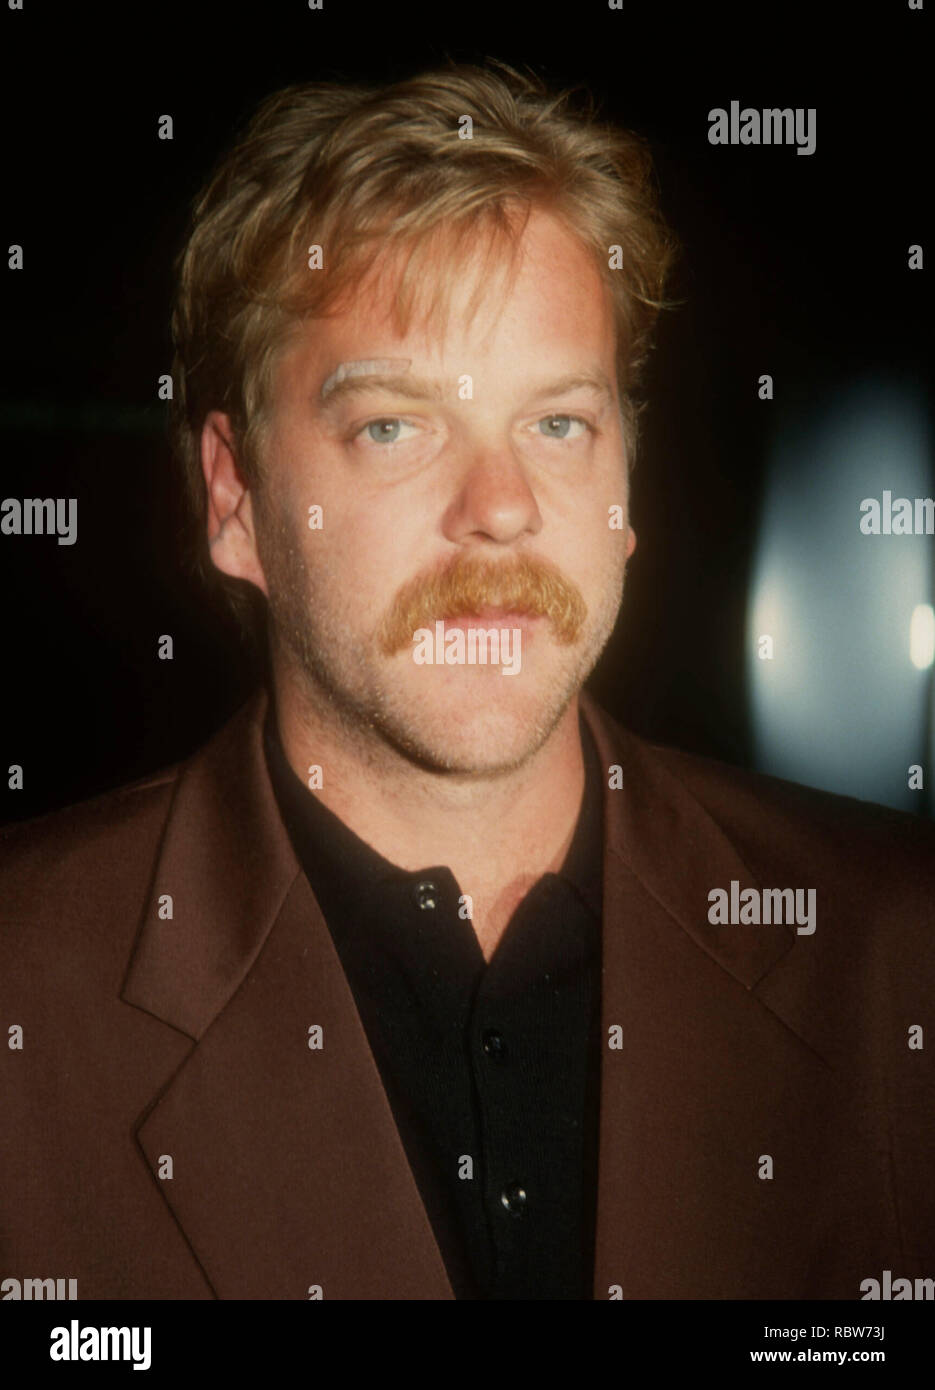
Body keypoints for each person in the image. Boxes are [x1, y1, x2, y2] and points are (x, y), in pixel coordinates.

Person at [1, 61, 933, 1302]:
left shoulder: (895, 952)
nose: (499, 511)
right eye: (393, 425)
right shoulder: (22, 990)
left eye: (557, 425)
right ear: (232, 499)